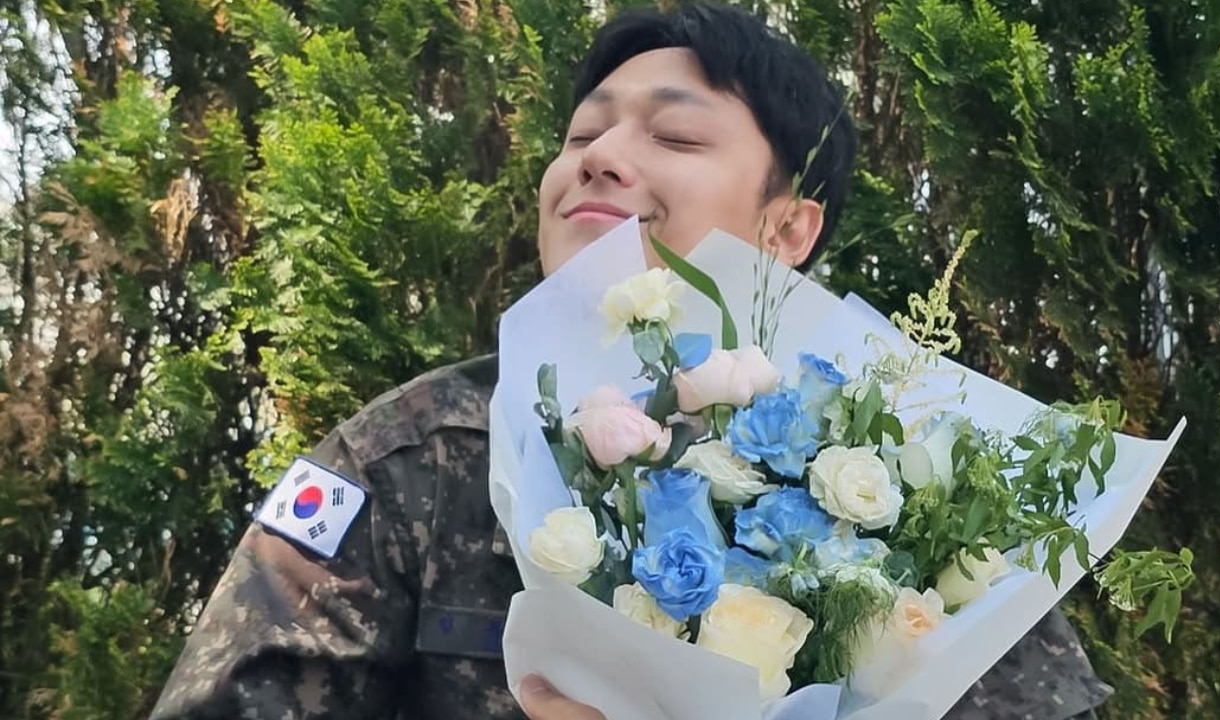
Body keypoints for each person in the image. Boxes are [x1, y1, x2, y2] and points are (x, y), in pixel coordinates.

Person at [149, 4, 1112, 719]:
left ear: (788, 229)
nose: (599, 156)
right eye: (582, 134)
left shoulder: (916, 488)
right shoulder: (410, 460)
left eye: (675, 134)